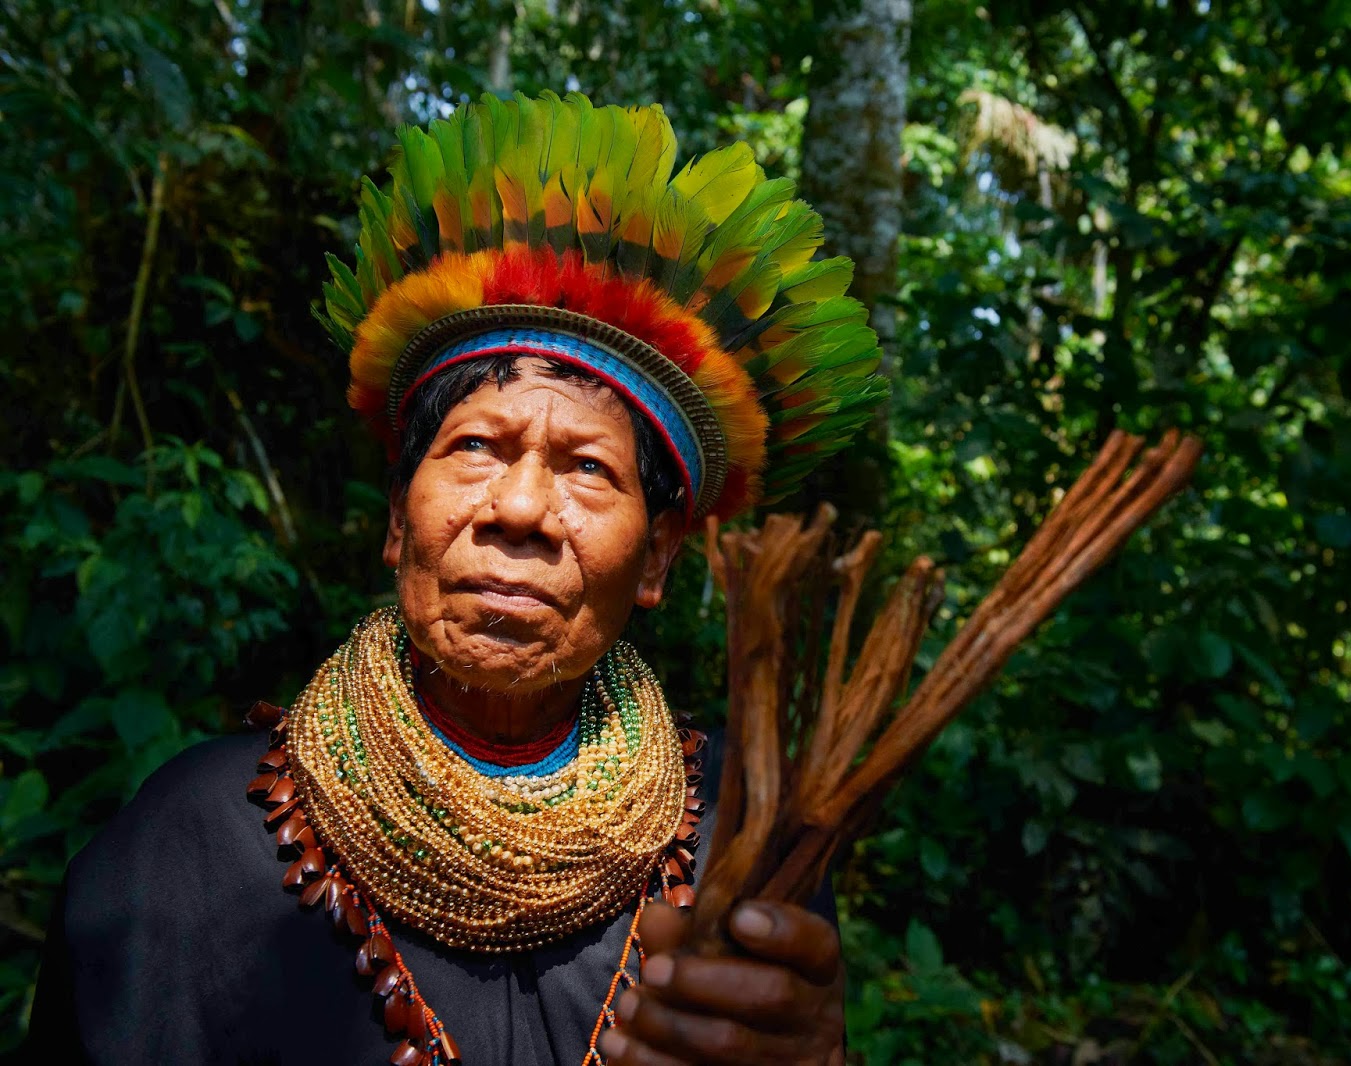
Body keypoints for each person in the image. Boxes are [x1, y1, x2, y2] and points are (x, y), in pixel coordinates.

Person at [26, 89, 886, 1065]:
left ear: (656, 559)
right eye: (475, 445)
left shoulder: (743, 834)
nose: (519, 508)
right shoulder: (191, 845)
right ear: (399, 521)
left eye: (588, 468)